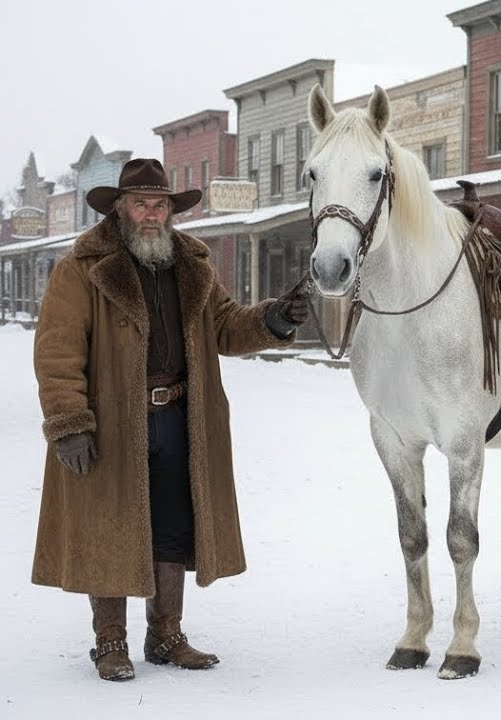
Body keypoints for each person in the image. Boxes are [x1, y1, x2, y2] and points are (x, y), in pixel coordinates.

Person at [32, 158, 312, 681]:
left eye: (160, 206)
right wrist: (69, 422)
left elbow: (227, 326)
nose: (152, 215)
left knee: (174, 527)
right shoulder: (82, 267)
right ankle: (110, 641)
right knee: (109, 526)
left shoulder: (192, 264)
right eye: (141, 204)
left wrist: (273, 318)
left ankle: (165, 634)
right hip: (111, 422)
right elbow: (57, 352)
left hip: (180, 417)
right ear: (119, 209)